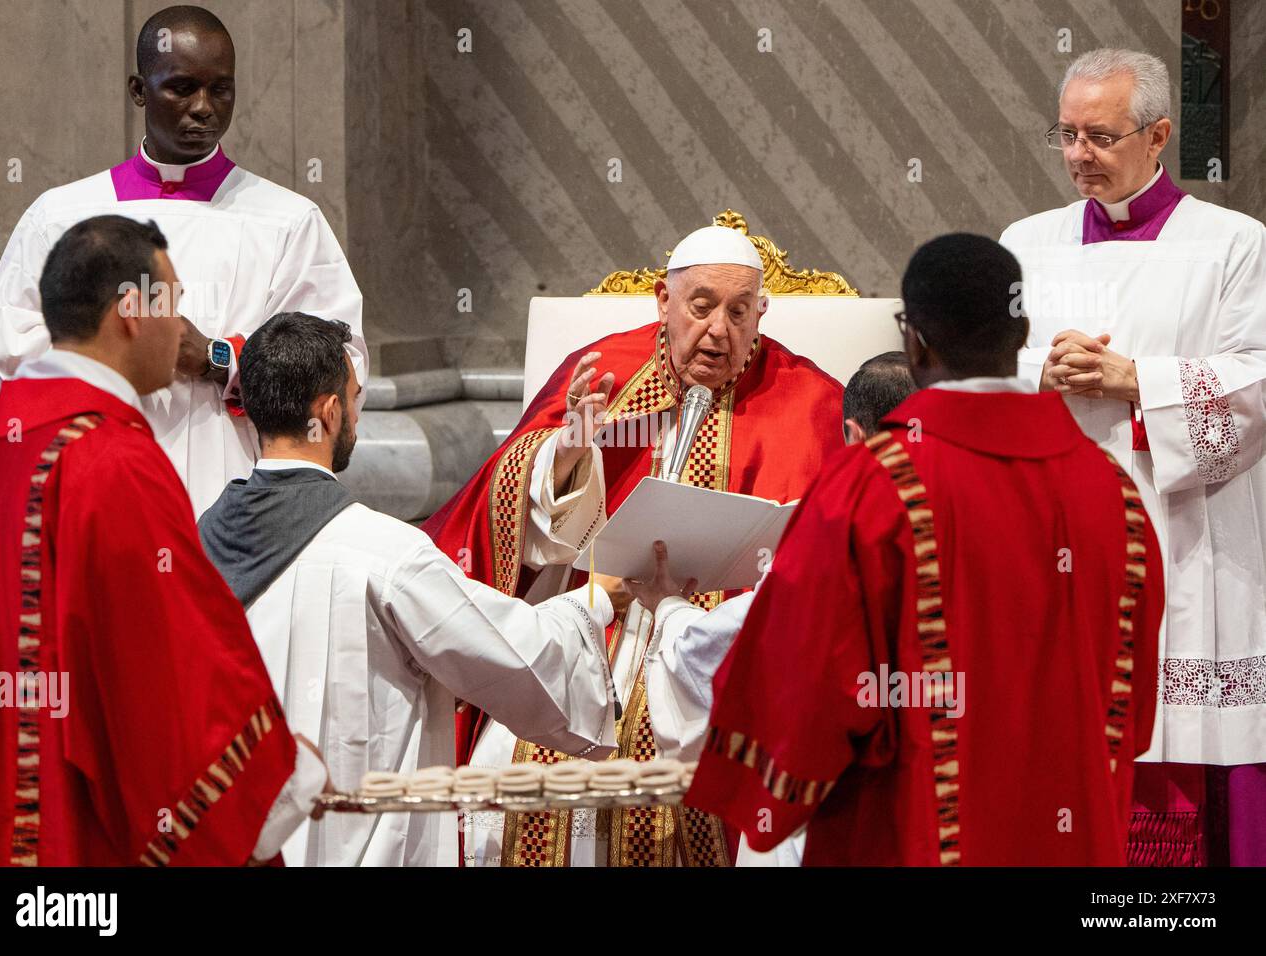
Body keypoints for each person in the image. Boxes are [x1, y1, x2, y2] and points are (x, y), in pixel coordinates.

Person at [687, 233, 1164, 865]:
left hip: (907, 838)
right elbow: (1130, 722)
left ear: (912, 339)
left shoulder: (871, 486)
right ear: (1022, 338)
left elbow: (803, 695)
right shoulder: (1118, 497)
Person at [425, 224, 845, 866]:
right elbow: (506, 507)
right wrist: (567, 453)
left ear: (761, 312)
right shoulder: (607, 373)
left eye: (739, 313)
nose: (719, 332)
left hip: (724, 638)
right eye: (701, 307)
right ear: (663, 300)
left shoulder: (808, 400)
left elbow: (838, 543)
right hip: (598, 611)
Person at [198, 312, 677, 866]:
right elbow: (512, 657)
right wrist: (599, 599)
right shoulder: (383, 555)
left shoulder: (196, 541)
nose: (356, 412)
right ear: (330, 413)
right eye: (354, 398)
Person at [0, 215, 330, 866]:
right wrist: (277, 777)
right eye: (174, 302)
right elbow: (166, 672)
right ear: (131, 312)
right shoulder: (113, 462)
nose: (181, 326)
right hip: (78, 842)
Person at [1000, 48, 1266, 865]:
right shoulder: (1024, 242)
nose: (1079, 155)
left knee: (1176, 766)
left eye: (1101, 137)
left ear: (1157, 136)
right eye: (1067, 134)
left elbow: (1257, 383)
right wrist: (1036, 369)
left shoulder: (1234, 243)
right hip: (1054, 538)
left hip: (1185, 533)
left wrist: (1135, 380)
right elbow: (974, 368)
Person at [0, 4, 364, 517]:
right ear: (140, 90)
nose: (203, 107)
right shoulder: (61, 214)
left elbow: (338, 369)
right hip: (96, 486)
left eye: (220, 89)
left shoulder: (289, 221)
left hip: (237, 499)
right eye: (182, 88)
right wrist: (121, 350)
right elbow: (8, 344)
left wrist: (217, 359)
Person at [640, 349, 914, 866]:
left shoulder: (830, 548)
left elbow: (706, 658)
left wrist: (669, 606)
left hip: (827, 821)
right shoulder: (987, 527)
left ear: (853, 438)